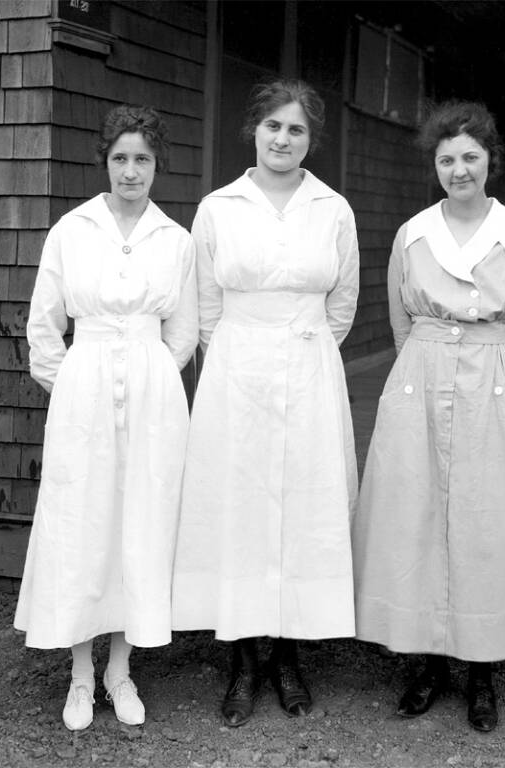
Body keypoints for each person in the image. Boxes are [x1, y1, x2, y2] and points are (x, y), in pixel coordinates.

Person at [351, 100, 505, 732]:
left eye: (470, 156)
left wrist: (496, 376)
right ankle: (423, 664)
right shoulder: (414, 233)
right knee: (414, 512)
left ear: (489, 161)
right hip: (420, 374)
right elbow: (399, 316)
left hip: (489, 379)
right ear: (436, 165)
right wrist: (427, 365)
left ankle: (482, 671)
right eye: (447, 159)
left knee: (488, 519)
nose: (459, 169)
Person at [172, 80, 360, 727]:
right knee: (244, 509)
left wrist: (299, 351)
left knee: (301, 508)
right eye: (273, 126)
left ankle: (289, 655)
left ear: (312, 142)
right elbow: (204, 307)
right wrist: (244, 354)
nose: (283, 139)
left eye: (297, 130)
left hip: (309, 369)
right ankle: (244, 661)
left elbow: (343, 308)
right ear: (253, 130)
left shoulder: (332, 209)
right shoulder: (219, 207)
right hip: (237, 373)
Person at [14, 105, 198, 732]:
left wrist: (149, 375)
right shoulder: (72, 230)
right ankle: (80, 673)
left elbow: (184, 334)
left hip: (151, 394)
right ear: (106, 162)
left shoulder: (176, 240)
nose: (130, 170)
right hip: (85, 388)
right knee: (83, 521)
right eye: (120, 158)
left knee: (138, 522)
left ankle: (121, 669)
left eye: (142, 159)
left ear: (156, 166)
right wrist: (71, 381)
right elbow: (44, 326)